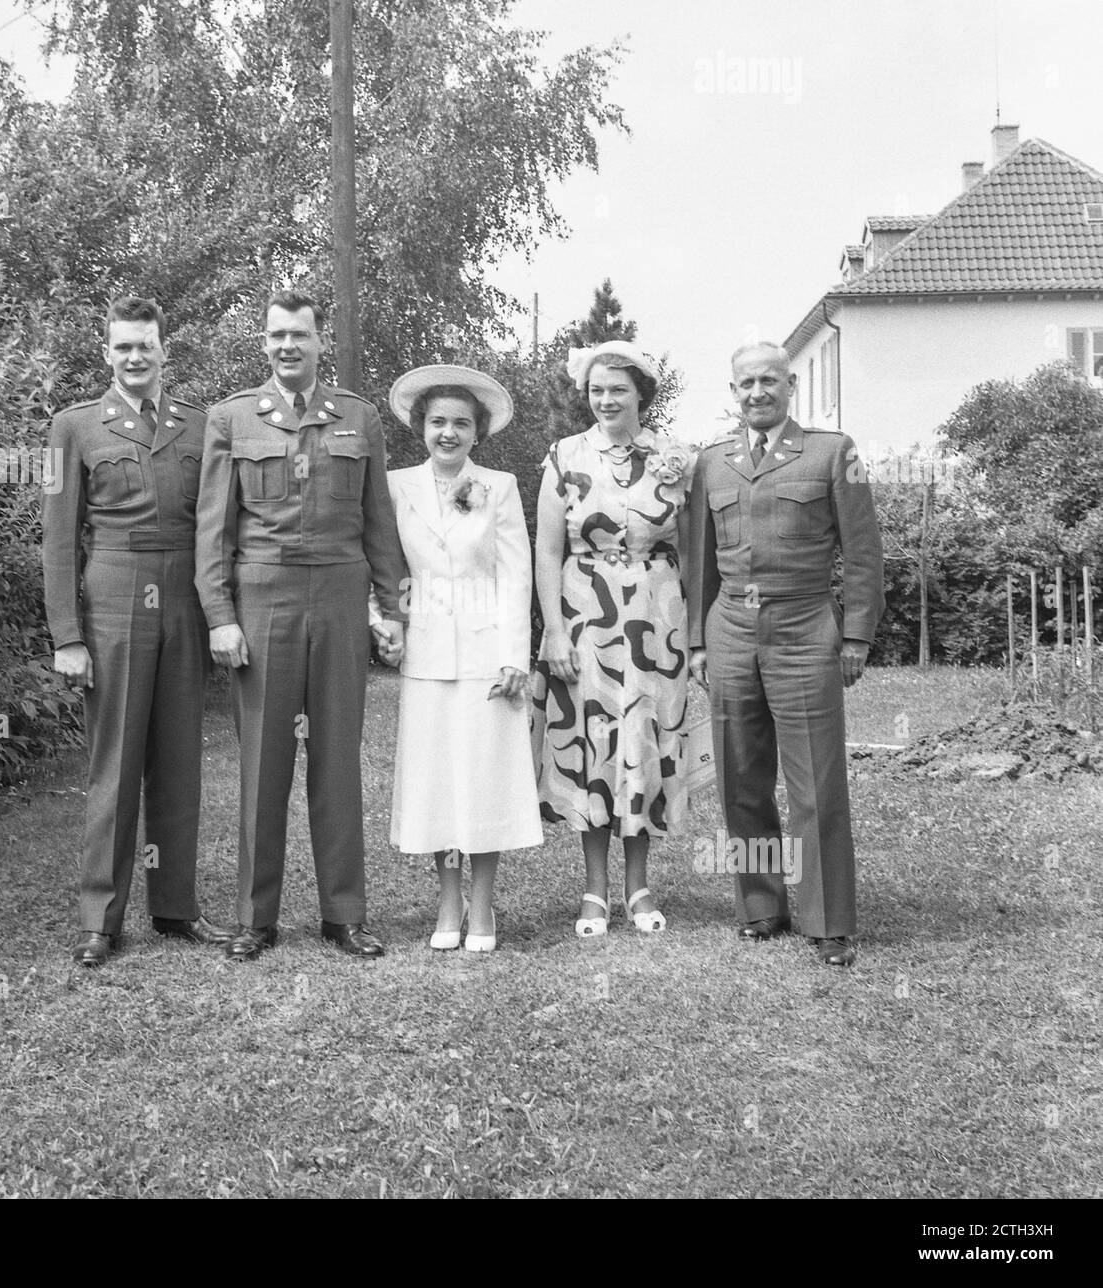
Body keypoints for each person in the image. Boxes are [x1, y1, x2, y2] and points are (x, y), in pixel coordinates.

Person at [195, 289, 407, 962]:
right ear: (265, 343)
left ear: (322, 342)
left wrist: (389, 607)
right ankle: (255, 918)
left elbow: (380, 523)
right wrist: (220, 618)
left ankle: (343, 914)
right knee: (263, 761)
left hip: (341, 601)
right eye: (278, 335)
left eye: (301, 335)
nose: (289, 345)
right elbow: (212, 533)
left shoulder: (358, 418)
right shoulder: (231, 419)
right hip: (264, 603)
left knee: (338, 760)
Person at [43, 295, 235, 966]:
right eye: (122, 346)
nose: (134, 356)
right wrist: (68, 636)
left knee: (179, 759)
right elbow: (59, 541)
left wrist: (220, 615)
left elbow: (216, 528)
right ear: (107, 353)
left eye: (144, 345)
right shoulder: (73, 428)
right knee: (115, 765)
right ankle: (102, 917)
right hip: (115, 599)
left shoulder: (198, 426)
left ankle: (177, 907)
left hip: (182, 598)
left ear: (163, 350)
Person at [685, 341, 884, 966]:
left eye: (769, 381)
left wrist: (855, 635)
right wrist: (696, 641)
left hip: (803, 627)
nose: (757, 393)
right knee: (740, 776)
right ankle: (761, 905)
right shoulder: (711, 463)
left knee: (815, 781)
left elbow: (863, 552)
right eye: (746, 384)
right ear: (734, 390)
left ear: (789, 383)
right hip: (731, 634)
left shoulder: (831, 452)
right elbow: (698, 564)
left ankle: (828, 920)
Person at [376, 365, 542, 953]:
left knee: (484, 781)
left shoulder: (498, 485)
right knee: (439, 783)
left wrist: (513, 656)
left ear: (478, 433)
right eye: (438, 422)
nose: (448, 433)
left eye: (461, 424)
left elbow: (515, 575)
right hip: (424, 653)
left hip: (486, 657)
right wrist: (383, 624)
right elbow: (381, 565)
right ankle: (448, 902)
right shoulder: (395, 485)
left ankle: (483, 903)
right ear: (421, 427)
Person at [533, 340, 695, 938]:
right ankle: (595, 889)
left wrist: (695, 633)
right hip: (583, 615)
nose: (606, 400)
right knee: (592, 742)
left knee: (646, 736)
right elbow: (548, 548)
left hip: (657, 616)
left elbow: (693, 544)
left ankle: (640, 886)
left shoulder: (674, 457)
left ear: (640, 395)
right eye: (597, 390)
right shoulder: (563, 455)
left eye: (618, 390)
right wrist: (552, 627)